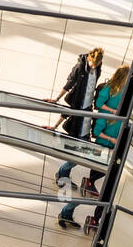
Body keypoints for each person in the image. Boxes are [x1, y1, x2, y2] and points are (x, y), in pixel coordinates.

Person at [56, 64, 128, 227]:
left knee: (85, 189)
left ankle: (66, 213)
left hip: (109, 135)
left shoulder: (123, 90)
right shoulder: (110, 89)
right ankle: (65, 174)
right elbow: (99, 105)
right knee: (81, 159)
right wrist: (112, 112)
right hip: (101, 136)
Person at [50, 47, 103, 138]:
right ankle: (56, 127)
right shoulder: (80, 67)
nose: (93, 67)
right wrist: (56, 99)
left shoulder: (98, 69)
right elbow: (69, 84)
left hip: (88, 106)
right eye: (92, 64)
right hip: (79, 101)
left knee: (85, 130)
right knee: (74, 126)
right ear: (89, 58)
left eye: (96, 65)